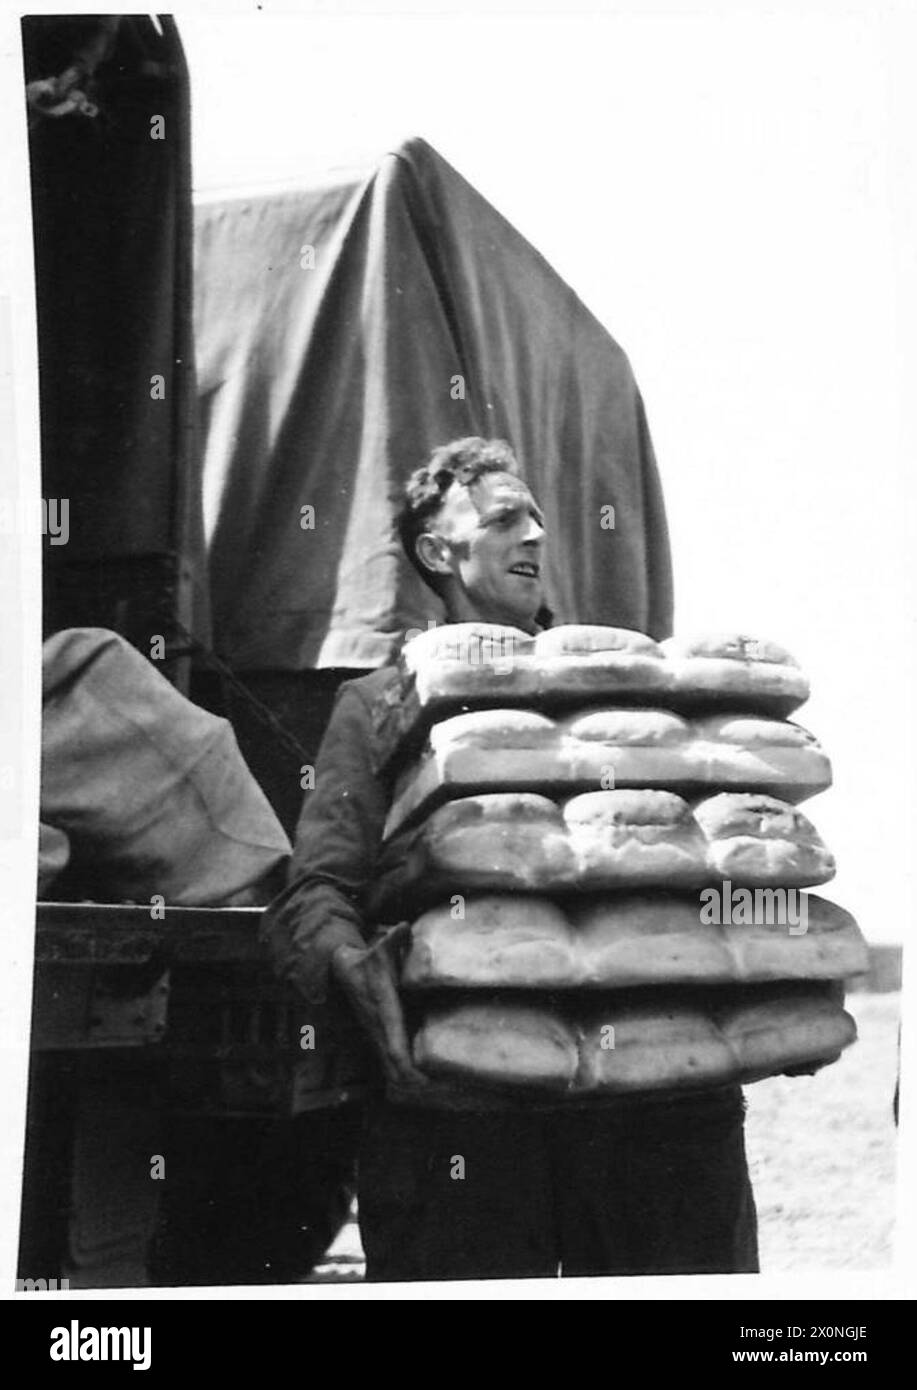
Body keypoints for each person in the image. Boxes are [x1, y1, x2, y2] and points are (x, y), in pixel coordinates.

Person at [265, 436, 759, 1281]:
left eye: (534, 517)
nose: (533, 534)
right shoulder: (384, 704)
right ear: (437, 552)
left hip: (651, 1107)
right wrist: (353, 970)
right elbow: (318, 889)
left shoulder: (625, 692)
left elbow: (711, 852)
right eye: (502, 520)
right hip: (464, 1113)